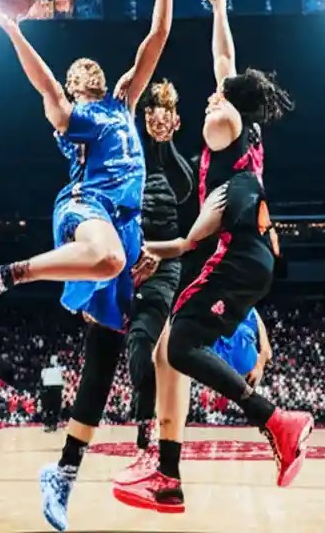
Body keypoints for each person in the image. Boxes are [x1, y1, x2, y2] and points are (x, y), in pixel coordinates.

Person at [0, 0, 176, 532]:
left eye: (87, 70)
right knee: (103, 258)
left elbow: (157, 33)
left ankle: (64, 473)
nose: (83, 72)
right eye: (75, 74)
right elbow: (46, 83)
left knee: (103, 361)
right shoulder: (71, 117)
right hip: (84, 207)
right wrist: (12, 29)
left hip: (125, 232)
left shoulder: (126, 100)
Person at [114, 0, 308, 514]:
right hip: (250, 256)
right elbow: (225, 66)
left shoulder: (221, 128)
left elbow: (224, 76)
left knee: (178, 345)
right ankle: (167, 475)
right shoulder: (244, 128)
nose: (209, 101)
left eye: (216, 101)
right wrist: (220, 9)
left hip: (239, 256)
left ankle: (276, 420)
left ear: (228, 110)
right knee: (167, 349)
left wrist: (163, 251)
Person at [111, 79, 195, 480]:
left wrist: (167, 141)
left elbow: (184, 190)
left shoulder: (181, 171)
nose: (158, 121)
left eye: (166, 115)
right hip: (125, 264)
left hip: (163, 269)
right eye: (152, 113)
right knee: (130, 349)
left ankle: (145, 435)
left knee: (144, 341)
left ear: (176, 121)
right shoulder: (128, 158)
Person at [40, 354, 65, 432]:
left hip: (49, 389)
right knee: (53, 409)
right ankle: (52, 424)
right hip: (55, 389)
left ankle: (50, 424)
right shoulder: (59, 369)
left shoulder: (45, 370)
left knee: (50, 409)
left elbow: (42, 378)